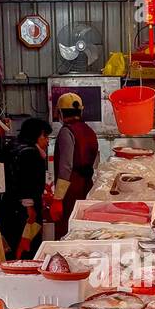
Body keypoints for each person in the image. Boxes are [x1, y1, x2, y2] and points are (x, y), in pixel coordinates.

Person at [0, 117, 53, 259]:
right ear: (35, 135)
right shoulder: (30, 152)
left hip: (8, 207)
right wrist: (30, 208)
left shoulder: (12, 146)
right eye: (45, 136)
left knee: (15, 245)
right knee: (27, 247)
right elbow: (26, 182)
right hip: (22, 210)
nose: (47, 141)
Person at [51, 93, 99, 238]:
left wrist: (58, 199)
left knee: (68, 229)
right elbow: (96, 161)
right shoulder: (89, 131)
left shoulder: (67, 131)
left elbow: (66, 166)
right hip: (87, 185)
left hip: (71, 190)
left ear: (60, 112)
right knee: (83, 226)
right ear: (81, 111)